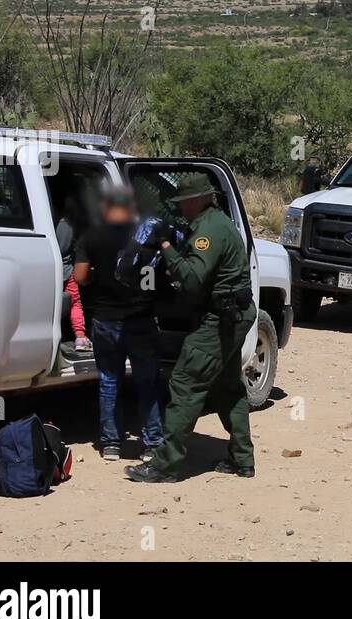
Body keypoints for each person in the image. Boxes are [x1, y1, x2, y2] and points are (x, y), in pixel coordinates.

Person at [125, 174, 256, 483]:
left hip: (220, 320)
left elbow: (194, 278)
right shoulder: (215, 223)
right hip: (234, 315)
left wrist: (167, 246)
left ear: (197, 200)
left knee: (185, 384)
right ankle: (242, 459)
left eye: (182, 203)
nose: (180, 208)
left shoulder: (207, 231)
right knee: (228, 388)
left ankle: (165, 465)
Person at [73, 187, 164, 462]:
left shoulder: (91, 235)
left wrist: (97, 280)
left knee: (109, 381)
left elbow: (79, 276)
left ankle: (111, 443)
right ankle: (152, 444)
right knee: (146, 382)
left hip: (105, 319)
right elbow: (164, 270)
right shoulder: (145, 235)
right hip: (140, 318)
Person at [56, 198, 90, 352]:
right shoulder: (69, 225)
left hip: (55, 270)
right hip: (68, 270)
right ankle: (80, 337)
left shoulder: (55, 223)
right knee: (75, 303)